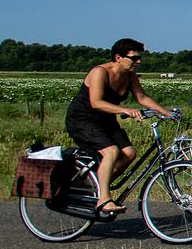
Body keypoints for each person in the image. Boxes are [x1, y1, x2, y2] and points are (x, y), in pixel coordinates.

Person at [64, 38, 172, 214]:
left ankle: (94, 187)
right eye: (134, 58)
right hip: (82, 119)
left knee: (129, 153)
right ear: (118, 57)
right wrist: (126, 110)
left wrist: (167, 112)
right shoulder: (100, 72)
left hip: (105, 121)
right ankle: (104, 200)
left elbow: (142, 98)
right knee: (112, 151)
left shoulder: (130, 75)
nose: (138, 61)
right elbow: (96, 102)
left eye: (139, 58)